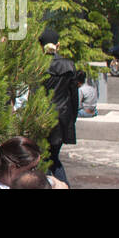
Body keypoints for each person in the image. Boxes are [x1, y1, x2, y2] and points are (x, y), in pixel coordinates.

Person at [39, 29, 78, 185]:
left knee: (47, 158)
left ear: (40, 46)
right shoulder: (69, 65)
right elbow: (74, 97)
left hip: (43, 117)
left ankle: (58, 184)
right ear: (58, 45)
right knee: (53, 157)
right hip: (62, 117)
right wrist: (71, 120)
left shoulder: (37, 67)